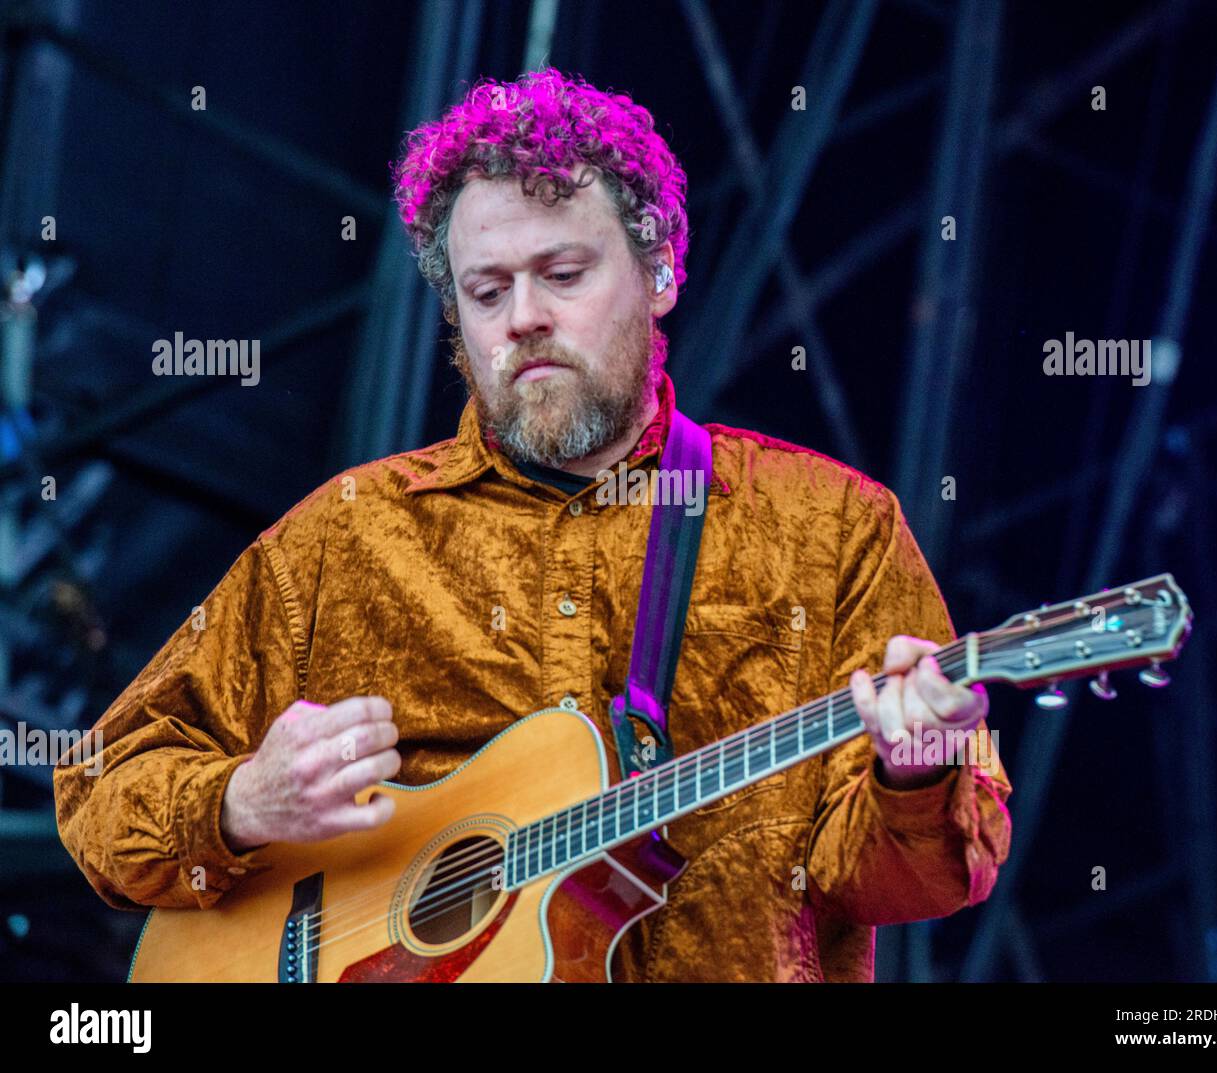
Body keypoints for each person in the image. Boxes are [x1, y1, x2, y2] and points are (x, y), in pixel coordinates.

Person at [54, 66, 1011, 982]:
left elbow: (922, 879)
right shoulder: (341, 541)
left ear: (661, 270)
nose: (523, 319)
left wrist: (916, 770)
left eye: (562, 273)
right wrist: (240, 802)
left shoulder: (830, 529)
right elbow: (96, 787)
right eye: (487, 291)